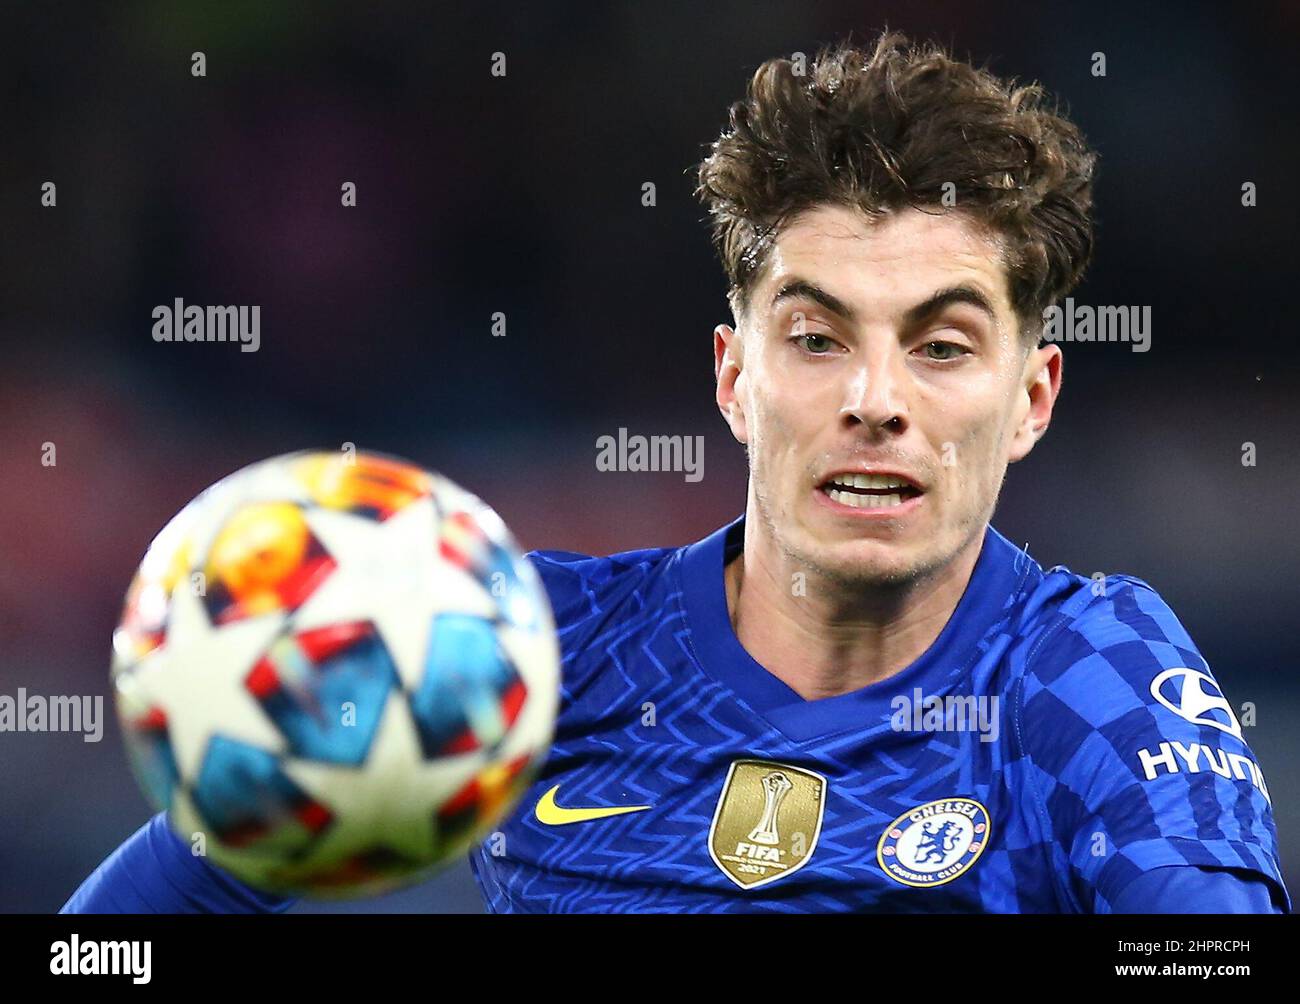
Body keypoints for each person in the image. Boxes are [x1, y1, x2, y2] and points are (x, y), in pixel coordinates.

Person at [64, 32, 1288, 914]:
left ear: (1030, 399)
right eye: (815, 337)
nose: (875, 399)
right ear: (732, 378)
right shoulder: (511, 641)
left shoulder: (1088, 672)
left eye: (942, 344)